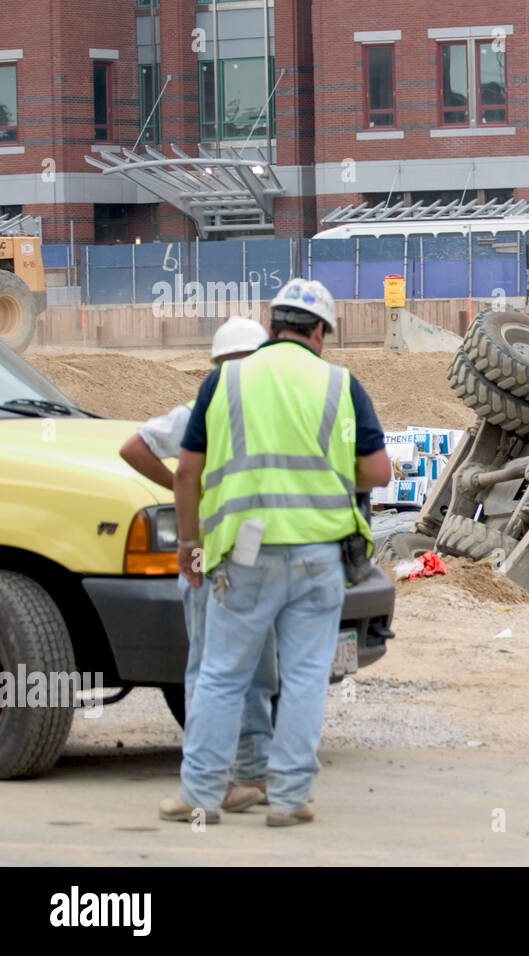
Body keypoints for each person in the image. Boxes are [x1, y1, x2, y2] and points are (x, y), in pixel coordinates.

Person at [160, 279, 392, 826]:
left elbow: (188, 472)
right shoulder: (340, 383)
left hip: (241, 557)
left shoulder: (226, 380)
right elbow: (378, 470)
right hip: (319, 558)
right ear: (319, 333)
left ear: (271, 328)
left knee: (221, 675)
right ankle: (288, 801)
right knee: (307, 677)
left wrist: (190, 546)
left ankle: (200, 796)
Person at [121, 315, 273, 813]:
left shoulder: (200, 410)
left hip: (208, 553)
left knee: (209, 668)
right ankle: (252, 774)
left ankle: (214, 783)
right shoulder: (278, 415)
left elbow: (133, 446)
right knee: (254, 669)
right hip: (259, 553)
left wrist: (179, 490)